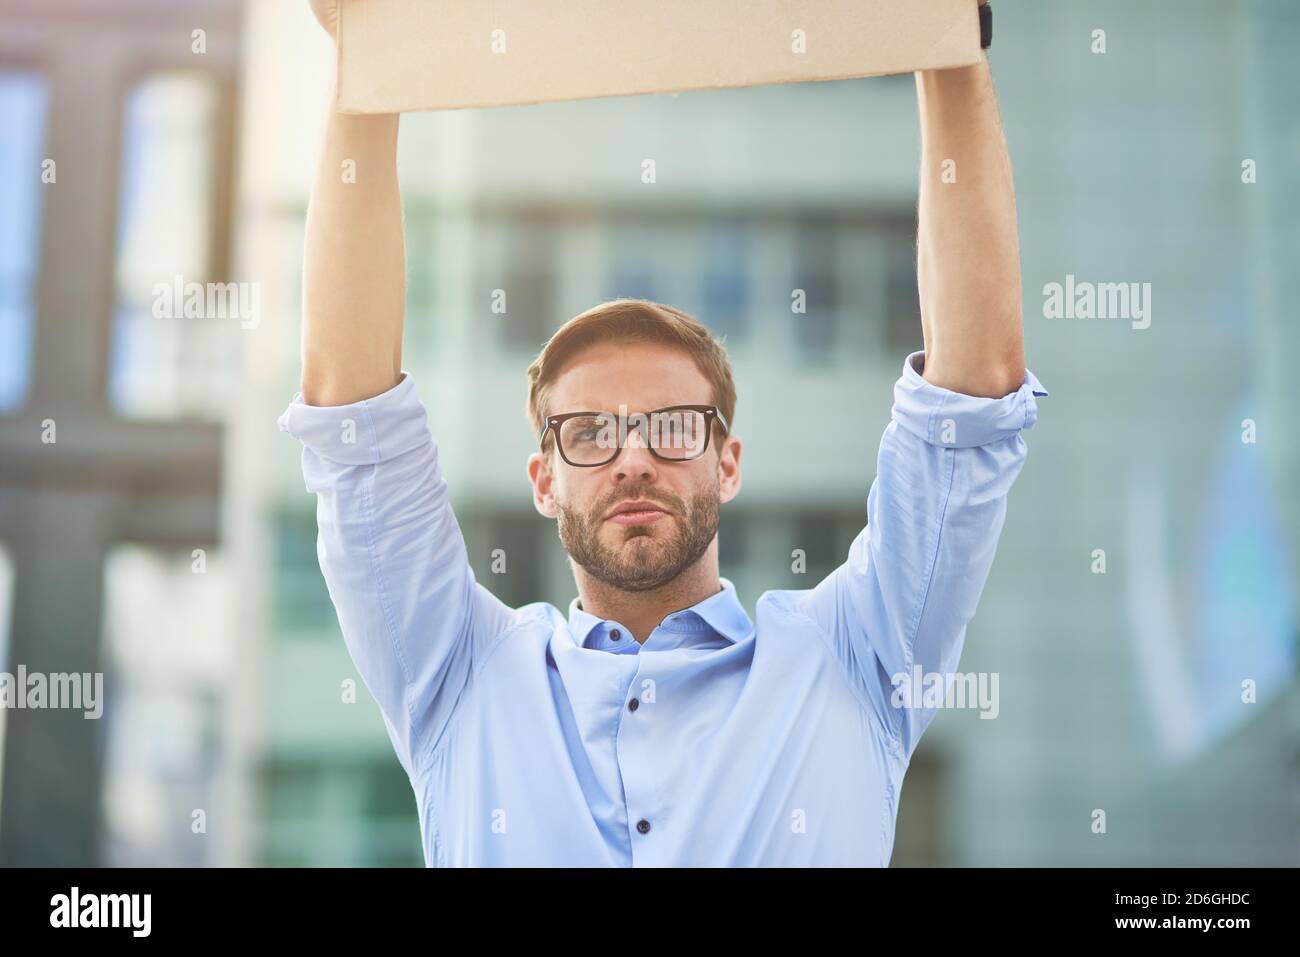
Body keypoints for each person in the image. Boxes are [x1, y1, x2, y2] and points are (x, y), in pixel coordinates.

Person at [280, 0, 1045, 866]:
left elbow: (973, 391)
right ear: (543, 478)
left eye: (673, 426)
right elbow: (353, 421)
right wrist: (364, 54)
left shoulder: (857, 658)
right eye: (591, 432)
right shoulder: (456, 678)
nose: (634, 457)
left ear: (728, 462)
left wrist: (946, 31)